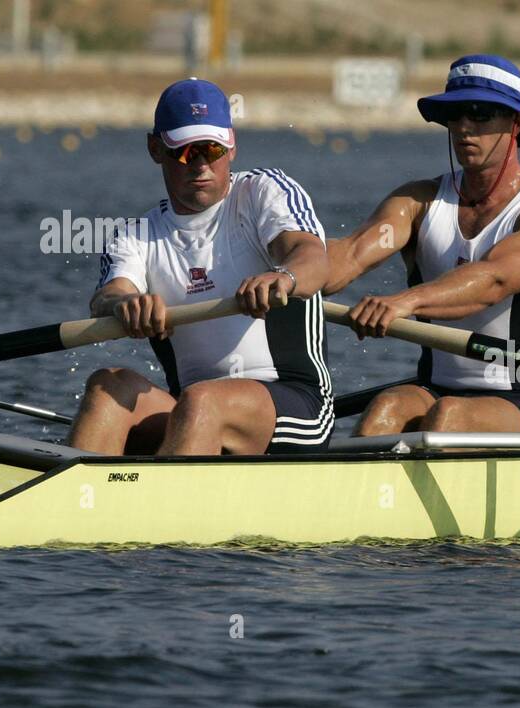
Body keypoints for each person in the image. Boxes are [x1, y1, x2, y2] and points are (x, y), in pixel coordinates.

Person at [69, 78, 334, 455]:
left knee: (201, 401)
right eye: (185, 152)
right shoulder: (135, 235)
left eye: (212, 149)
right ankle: (72, 501)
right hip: (191, 411)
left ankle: (156, 503)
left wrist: (284, 278)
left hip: (295, 402)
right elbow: (110, 295)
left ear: (232, 145)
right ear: (155, 149)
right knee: (108, 384)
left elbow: (313, 259)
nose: (202, 164)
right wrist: (123, 306)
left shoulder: (262, 193)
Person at [325, 54, 520, 435]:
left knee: (451, 417)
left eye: (480, 113)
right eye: (454, 114)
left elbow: (492, 282)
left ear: (516, 122)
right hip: (434, 389)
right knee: (387, 407)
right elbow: (348, 255)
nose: (464, 127)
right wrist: (287, 275)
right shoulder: (417, 201)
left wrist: (405, 301)